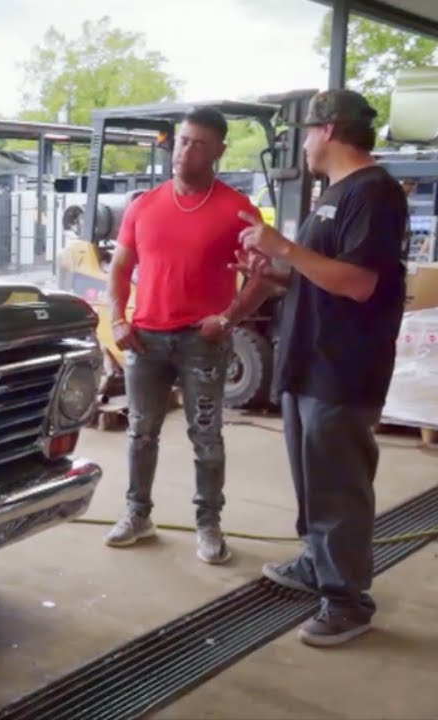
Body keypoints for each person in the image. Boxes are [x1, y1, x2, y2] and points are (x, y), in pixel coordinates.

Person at [236, 89, 409, 647]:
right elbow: (324, 276)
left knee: (338, 488)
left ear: (328, 130)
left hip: (343, 368)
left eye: (307, 133)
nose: (304, 144)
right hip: (307, 361)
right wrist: (273, 272)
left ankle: (347, 599)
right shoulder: (334, 194)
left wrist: (284, 247)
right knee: (313, 483)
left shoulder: (373, 193)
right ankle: (317, 564)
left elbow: (360, 284)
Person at [104, 107, 273, 564]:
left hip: (203, 341)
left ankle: (208, 525)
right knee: (141, 433)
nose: (185, 151)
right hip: (145, 339)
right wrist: (118, 319)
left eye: (199, 143)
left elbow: (265, 277)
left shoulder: (237, 210)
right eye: (182, 140)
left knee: (206, 435)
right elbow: (120, 268)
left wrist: (230, 316)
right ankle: (138, 515)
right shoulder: (143, 205)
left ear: (218, 149)